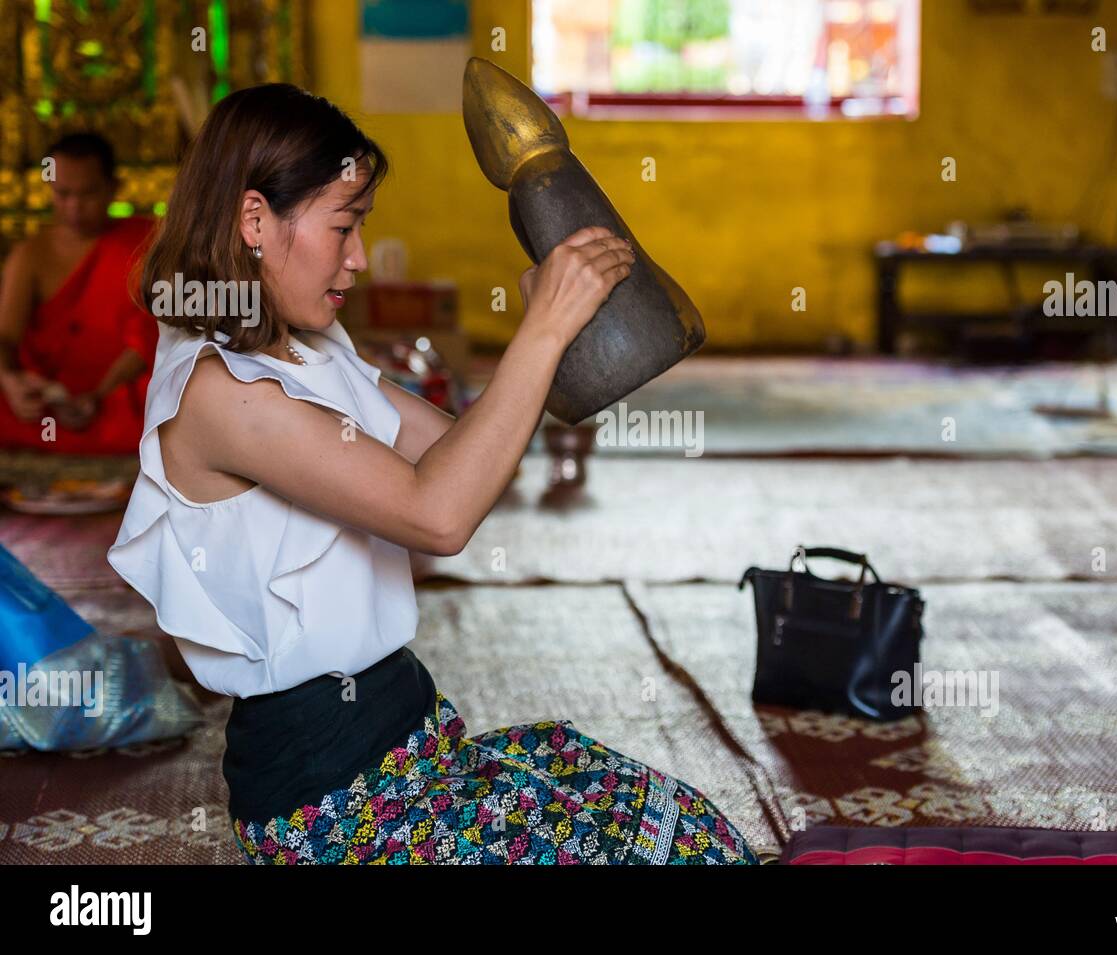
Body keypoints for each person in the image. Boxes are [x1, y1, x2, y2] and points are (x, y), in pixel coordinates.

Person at [105, 83, 759, 865]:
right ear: (254, 220)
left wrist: (544, 341)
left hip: (413, 744)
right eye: (344, 226)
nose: (357, 258)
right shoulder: (220, 394)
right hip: (338, 806)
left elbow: (457, 451)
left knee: (673, 819)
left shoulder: (306, 349)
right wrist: (542, 336)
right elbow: (438, 514)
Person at [0, 132, 158, 453]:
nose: (74, 206)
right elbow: (5, 338)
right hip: (47, 404)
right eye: (63, 193)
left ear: (114, 188)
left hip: (119, 399)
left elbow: (153, 332)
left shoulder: (145, 242)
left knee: (174, 402)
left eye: (88, 193)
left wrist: (100, 394)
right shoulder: (31, 254)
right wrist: (10, 383)